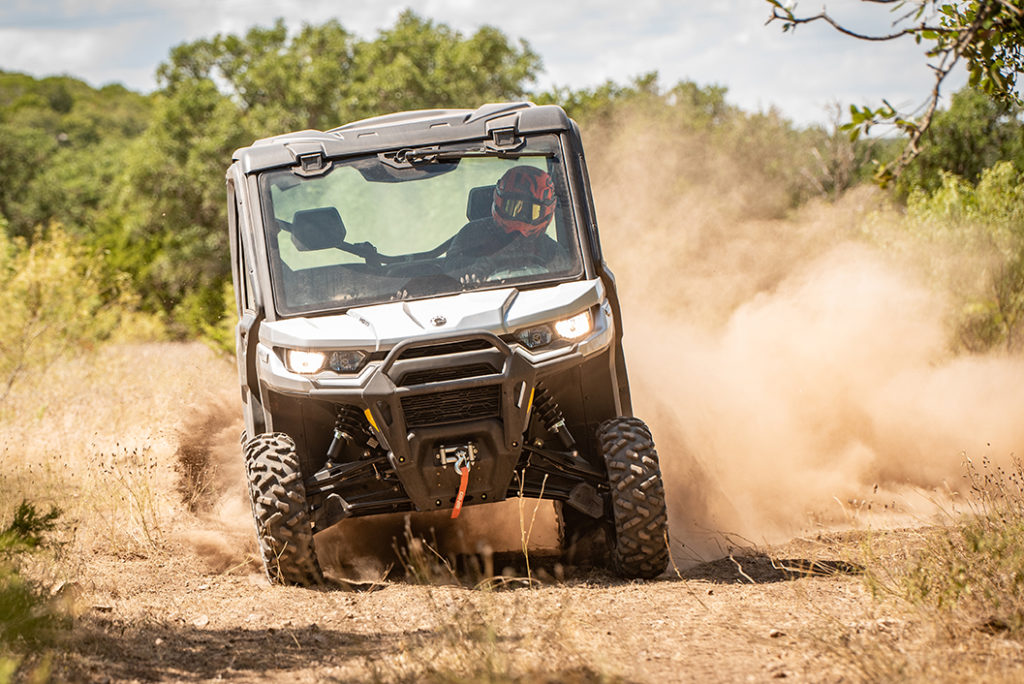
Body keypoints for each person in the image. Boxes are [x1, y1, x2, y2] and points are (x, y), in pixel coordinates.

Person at [445, 165, 571, 280]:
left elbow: (568, 287)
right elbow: (450, 269)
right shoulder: (472, 234)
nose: (519, 217)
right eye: (512, 207)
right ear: (499, 200)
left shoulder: (551, 251)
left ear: (546, 211)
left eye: (530, 211)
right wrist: (473, 267)